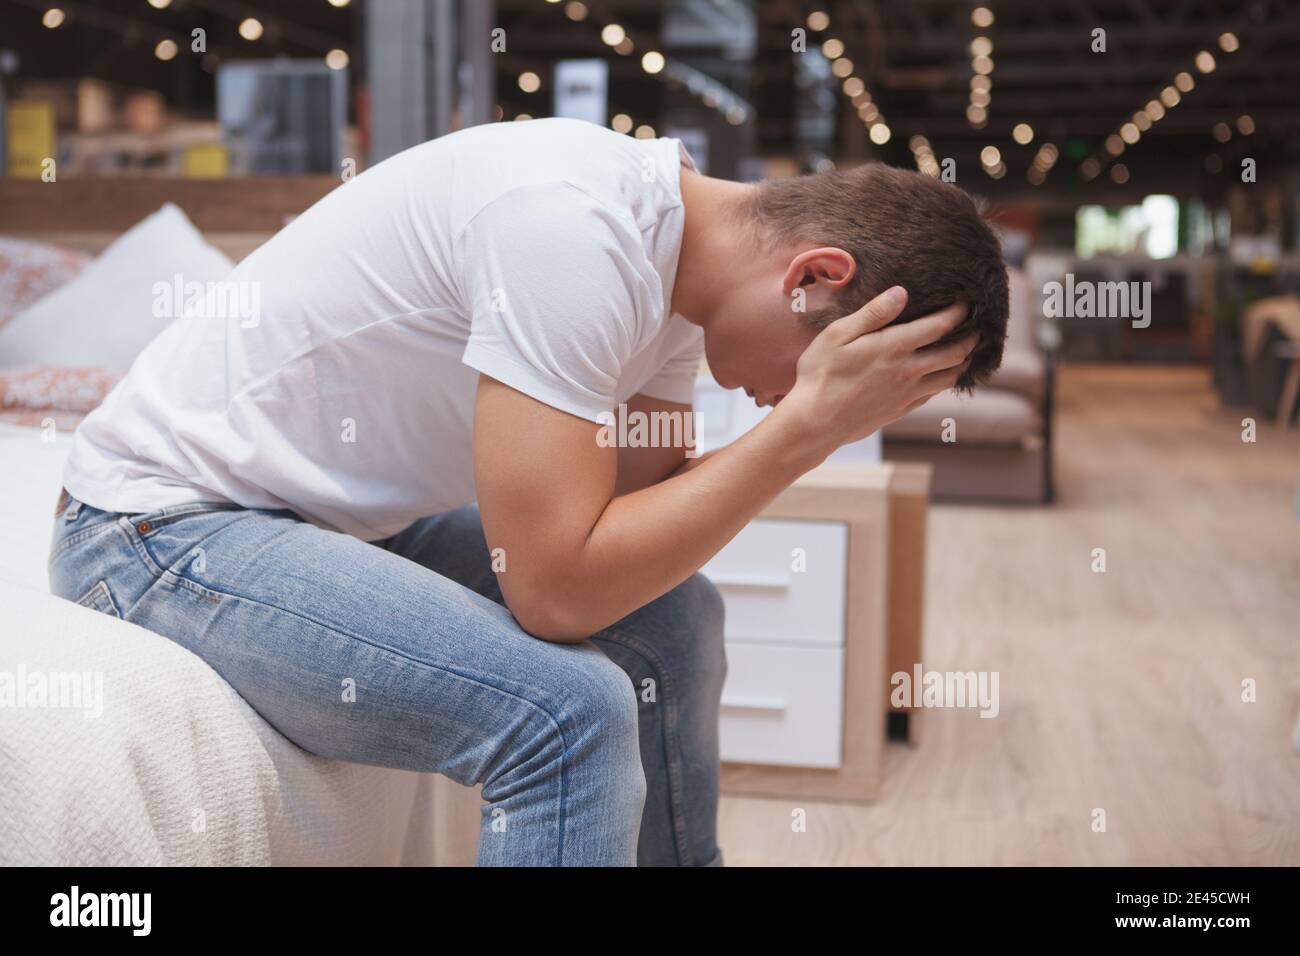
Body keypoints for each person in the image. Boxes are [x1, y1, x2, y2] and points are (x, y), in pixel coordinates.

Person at [49, 117, 1008, 866]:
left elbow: (622, 541)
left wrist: (802, 427)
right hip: (153, 531)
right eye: (845, 376)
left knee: (676, 621)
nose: (818, 402)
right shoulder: (568, 233)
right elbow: (556, 593)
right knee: (569, 717)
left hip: (332, 528)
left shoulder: (676, 272)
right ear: (815, 276)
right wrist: (804, 432)